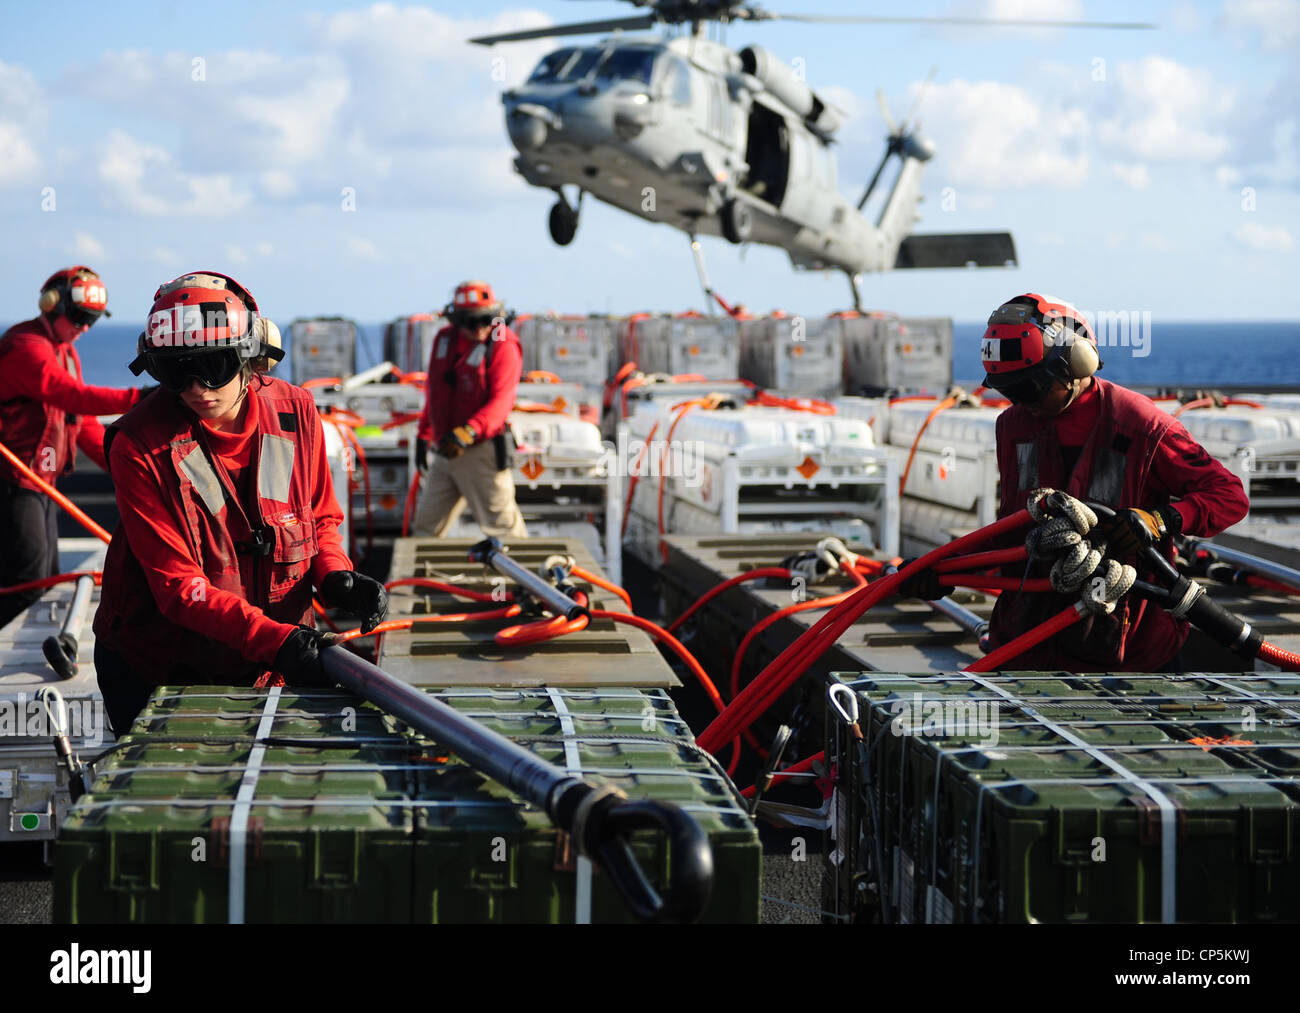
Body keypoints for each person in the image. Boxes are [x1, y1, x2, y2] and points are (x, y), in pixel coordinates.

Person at [92, 272, 388, 735]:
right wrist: (281, 642)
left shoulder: (295, 412)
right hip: (164, 671)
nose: (195, 388)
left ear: (250, 357)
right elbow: (178, 588)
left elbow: (320, 517)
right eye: (176, 372)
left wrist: (335, 576)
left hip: (274, 658)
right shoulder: (137, 445)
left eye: (213, 366)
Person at [978, 292, 1249, 672]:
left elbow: (1228, 496)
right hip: (1029, 642)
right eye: (1009, 391)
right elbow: (1009, 528)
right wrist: (938, 571)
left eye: (1030, 388)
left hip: (1130, 652)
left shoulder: (1142, 425)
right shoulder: (1013, 425)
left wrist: (1160, 520)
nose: (1021, 402)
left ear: (1074, 363)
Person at [0, 266, 143, 630]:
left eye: (92, 320)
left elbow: (80, 423)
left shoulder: (63, 351)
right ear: (51, 305)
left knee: (44, 575)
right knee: (26, 581)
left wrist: (125, 465)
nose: (84, 327)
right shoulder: (25, 346)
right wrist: (139, 399)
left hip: (38, 482)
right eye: (79, 316)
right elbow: (71, 395)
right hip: (14, 481)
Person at [411, 280, 527, 539]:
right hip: (446, 450)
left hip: (480, 451)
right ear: (456, 321)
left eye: (485, 321)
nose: (479, 329)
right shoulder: (444, 340)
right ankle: (418, 580)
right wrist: (424, 434)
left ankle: (524, 578)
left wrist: (468, 432)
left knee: (505, 533)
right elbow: (436, 391)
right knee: (425, 530)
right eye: (470, 323)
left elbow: (501, 403)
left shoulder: (503, 343)